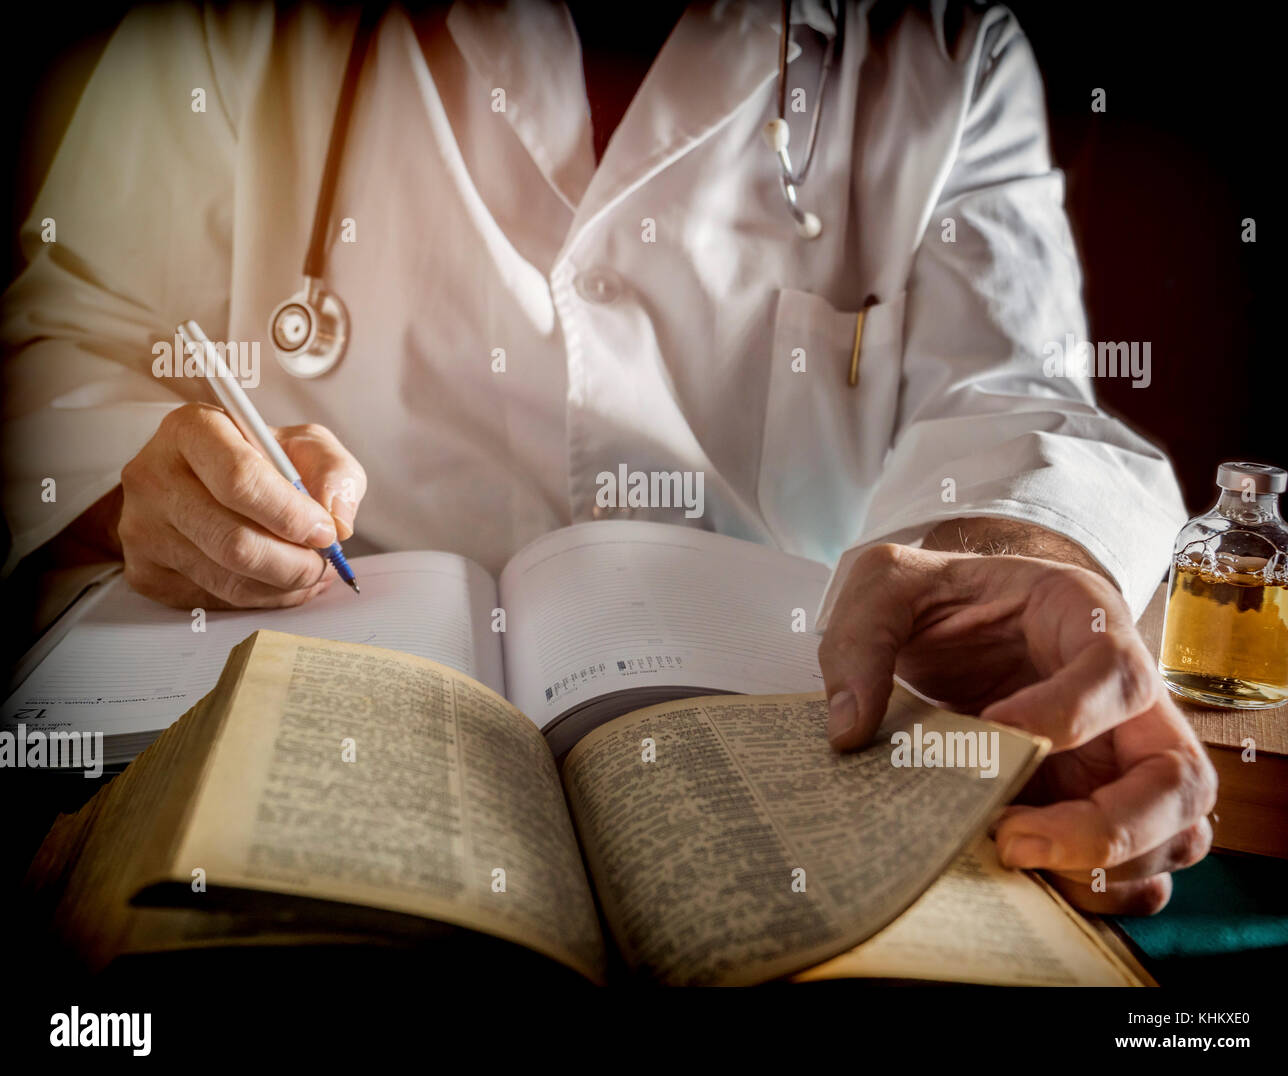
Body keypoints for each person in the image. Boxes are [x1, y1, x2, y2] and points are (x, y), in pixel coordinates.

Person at [0, 0, 1215, 915]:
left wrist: (1018, 552)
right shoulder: (220, 24)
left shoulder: (944, 48)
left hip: (777, 759)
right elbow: (62, 343)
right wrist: (136, 491)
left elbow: (1015, 398)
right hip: (333, 729)